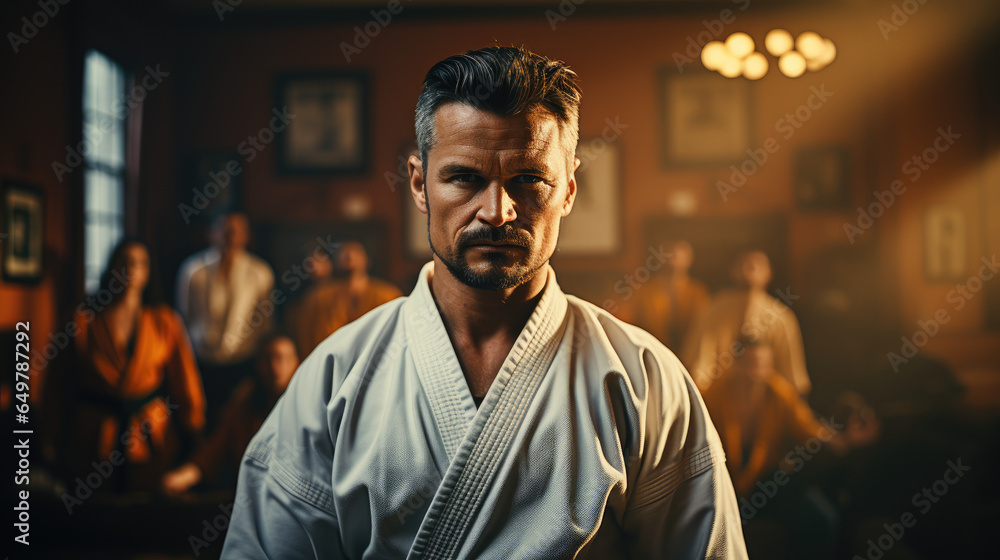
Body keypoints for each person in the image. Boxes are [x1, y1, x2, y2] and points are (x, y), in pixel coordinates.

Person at [222, 46, 746, 559]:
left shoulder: (642, 381)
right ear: (419, 183)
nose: (496, 211)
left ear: (567, 189)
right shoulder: (335, 379)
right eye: (465, 178)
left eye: (528, 179)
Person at [701, 337, 879, 559]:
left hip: (768, 482)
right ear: (735, 362)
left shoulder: (779, 393)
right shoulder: (714, 396)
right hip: (721, 482)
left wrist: (844, 441)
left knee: (820, 519)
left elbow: (809, 430)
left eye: (761, 362)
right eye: (749, 361)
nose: (755, 369)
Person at [55, 238, 205, 492]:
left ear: (148, 272)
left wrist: (193, 429)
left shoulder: (164, 322)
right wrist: (51, 439)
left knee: (144, 515)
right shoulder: (82, 321)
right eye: (124, 262)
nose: (131, 269)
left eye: (140, 263)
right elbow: (58, 385)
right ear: (111, 267)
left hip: (151, 436)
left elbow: (185, 382)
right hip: (94, 434)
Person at [161, 333, 300, 494]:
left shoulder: (308, 407)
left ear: (296, 363)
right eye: (268, 358)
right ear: (259, 364)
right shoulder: (243, 407)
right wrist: (181, 478)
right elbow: (213, 453)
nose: (275, 367)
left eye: (283, 358)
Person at [176, 211, 274, 424]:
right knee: (204, 421)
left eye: (237, 230)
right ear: (212, 233)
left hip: (244, 361)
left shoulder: (261, 272)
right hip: (201, 362)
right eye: (224, 229)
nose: (230, 235)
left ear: (246, 235)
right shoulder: (192, 270)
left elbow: (265, 323)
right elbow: (183, 318)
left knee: (240, 422)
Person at [682, 249, 812, 395]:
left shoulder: (782, 317)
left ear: (769, 273)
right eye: (743, 263)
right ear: (733, 271)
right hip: (718, 399)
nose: (750, 268)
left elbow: (792, 374)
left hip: (764, 402)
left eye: (758, 264)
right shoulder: (712, 310)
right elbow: (699, 364)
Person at [293, 240, 402, 357]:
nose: (349, 255)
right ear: (334, 261)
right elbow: (305, 339)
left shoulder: (388, 295)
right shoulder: (318, 298)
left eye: (355, 251)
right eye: (343, 252)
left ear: (367, 259)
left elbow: (398, 335)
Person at [625, 240, 710, 350]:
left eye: (681, 249)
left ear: (690, 258)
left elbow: (704, 329)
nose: (674, 253)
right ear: (659, 257)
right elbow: (632, 323)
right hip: (652, 350)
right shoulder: (644, 291)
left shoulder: (699, 292)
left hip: (691, 354)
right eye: (669, 249)